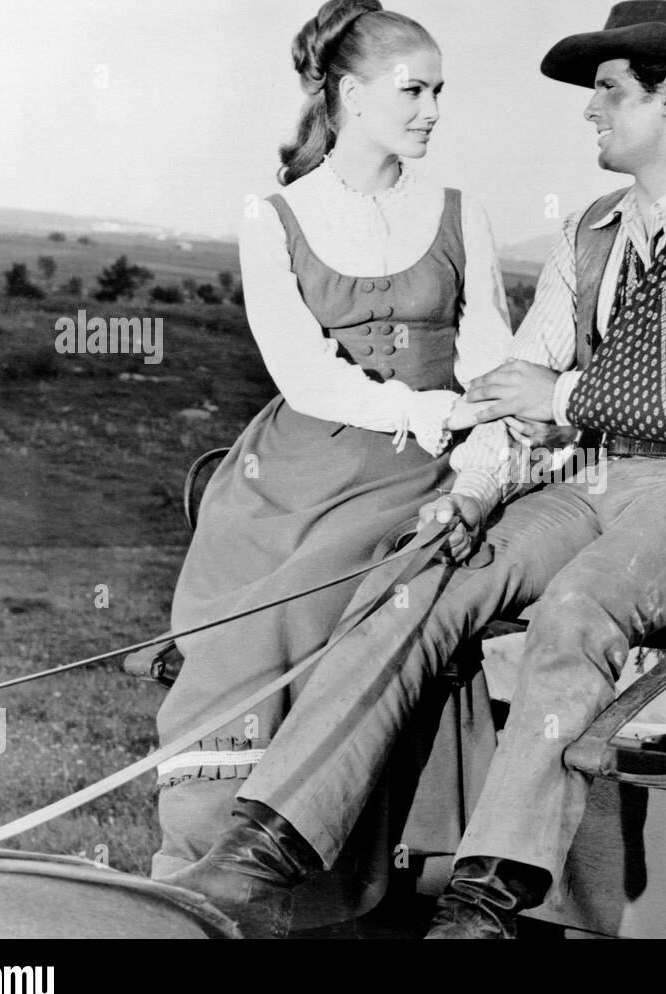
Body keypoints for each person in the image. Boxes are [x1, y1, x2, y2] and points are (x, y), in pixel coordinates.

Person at [164, 0, 666, 940]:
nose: (588, 113)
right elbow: (515, 389)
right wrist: (472, 498)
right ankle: (260, 853)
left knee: (579, 607)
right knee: (418, 582)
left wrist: (558, 399)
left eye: (606, 92)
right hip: (593, 479)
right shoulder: (591, 231)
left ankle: (484, 902)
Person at [150, 0, 511, 918]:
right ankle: (198, 879)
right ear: (350, 94)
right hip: (303, 463)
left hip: (419, 473)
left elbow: (495, 361)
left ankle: (330, 895)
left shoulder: (461, 213)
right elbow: (303, 372)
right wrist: (418, 409)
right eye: (414, 90)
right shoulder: (274, 217)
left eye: (440, 92)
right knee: (249, 632)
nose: (433, 110)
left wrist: (482, 442)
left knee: (362, 619)